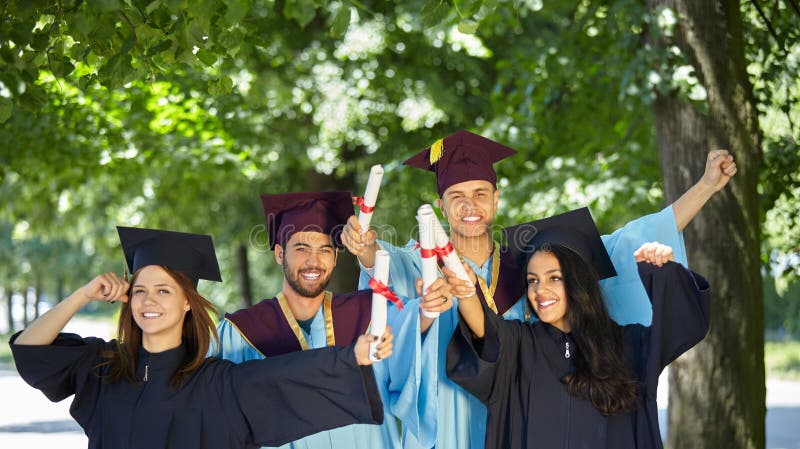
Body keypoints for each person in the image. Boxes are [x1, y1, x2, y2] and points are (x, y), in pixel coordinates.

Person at [341, 129, 735, 449]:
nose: (470, 206)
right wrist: (365, 248)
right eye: (456, 197)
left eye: (480, 193)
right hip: (448, 426)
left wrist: (705, 187)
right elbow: (378, 261)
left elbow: (628, 244)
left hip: (520, 426)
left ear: (496, 197)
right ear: (440, 205)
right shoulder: (421, 262)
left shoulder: (530, 264)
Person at [10, 226, 390, 449]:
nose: (149, 301)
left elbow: (284, 377)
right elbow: (29, 352)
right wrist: (83, 294)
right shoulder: (102, 368)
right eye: (140, 290)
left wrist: (351, 356)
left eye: (164, 291)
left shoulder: (215, 384)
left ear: (187, 303)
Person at [445, 207, 711, 449]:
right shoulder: (520, 345)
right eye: (532, 280)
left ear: (579, 282)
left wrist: (665, 272)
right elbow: (483, 330)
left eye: (554, 278)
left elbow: (685, 326)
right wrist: (468, 293)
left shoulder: (629, 345)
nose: (540, 290)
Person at [211, 191, 445, 449]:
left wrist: (428, 310)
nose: (314, 261)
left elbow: (408, 328)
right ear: (279, 253)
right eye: (301, 248)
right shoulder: (240, 332)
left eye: (325, 249)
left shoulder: (367, 311)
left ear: (335, 257)